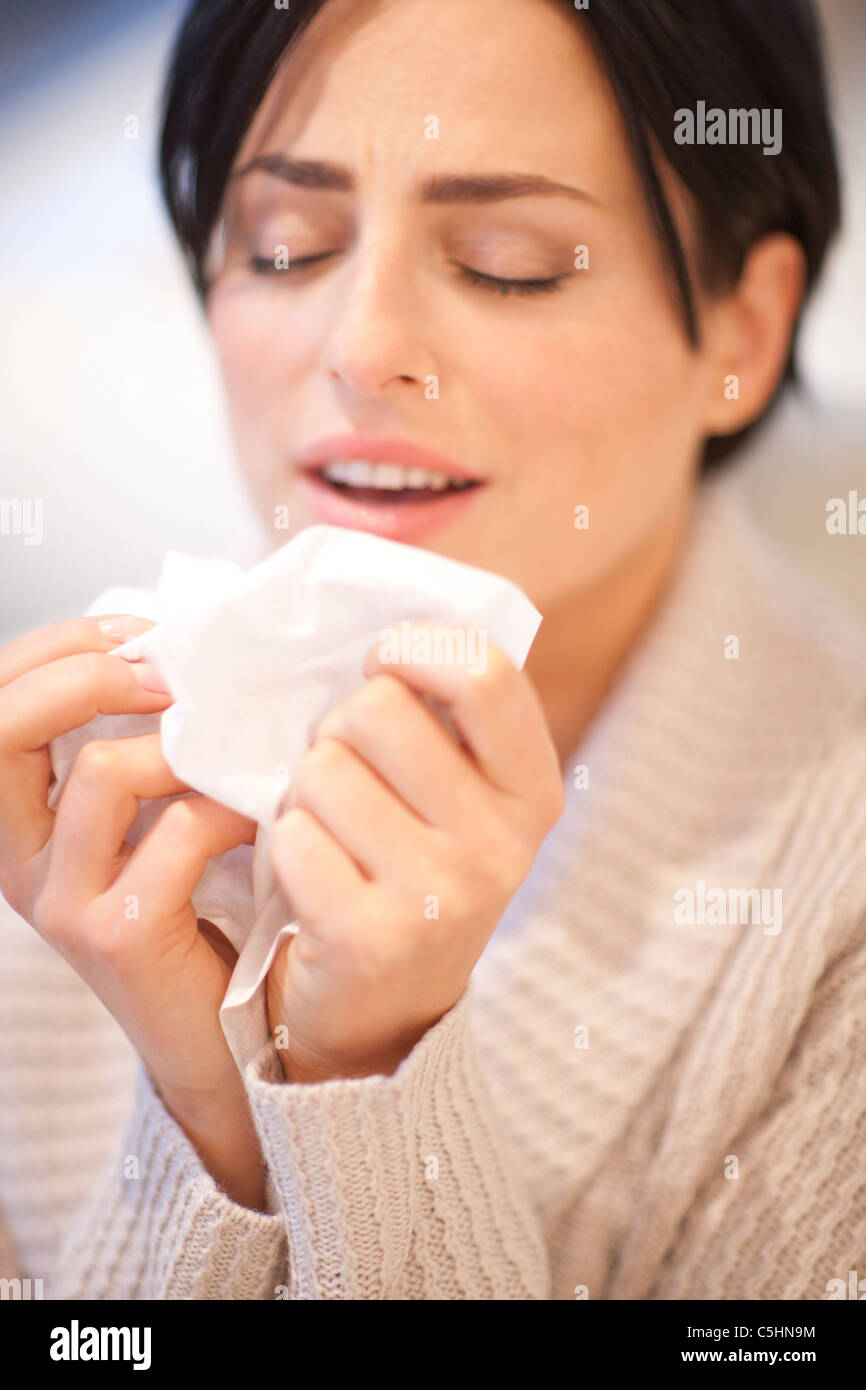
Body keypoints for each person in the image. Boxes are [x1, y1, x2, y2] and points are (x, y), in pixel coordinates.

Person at [1, 0, 864, 1300]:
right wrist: (210, 1112)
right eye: (285, 247)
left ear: (741, 330)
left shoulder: (827, 909)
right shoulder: (61, 807)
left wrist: (364, 1075)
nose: (361, 352)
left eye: (509, 261)